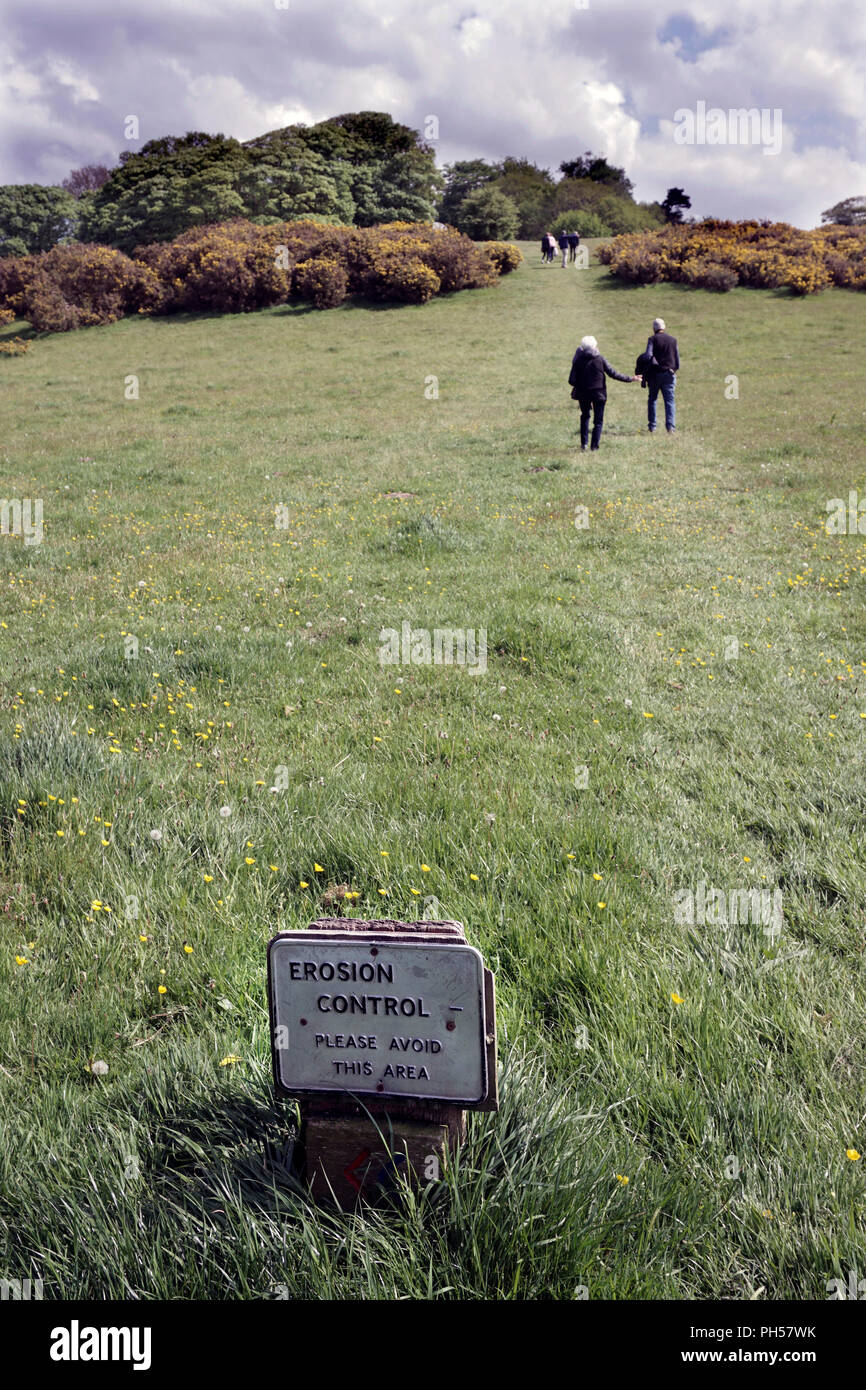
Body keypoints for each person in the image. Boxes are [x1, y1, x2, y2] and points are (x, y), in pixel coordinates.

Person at [569, 335, 639, 451]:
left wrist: (581, 383)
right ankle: (594, 447)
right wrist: (630, 379)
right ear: (595, 346)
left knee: (585, 416)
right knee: (598, 421)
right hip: (599, 393)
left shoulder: (578, 360)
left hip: (583, 393)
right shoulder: (600, 359)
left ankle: (584, 444)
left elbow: (571, 380)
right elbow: (613, 373)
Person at [642, 316, 680, 433]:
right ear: (664, 327)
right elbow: (677, 359)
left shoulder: (652, 339)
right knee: (669, 401)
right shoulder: (673, 340)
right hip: (669, 374)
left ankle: (652, 426)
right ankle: (670, 427)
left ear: (654, 328)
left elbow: (648, 355)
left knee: (652, 399)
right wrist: (674, 369)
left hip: (655, 375)